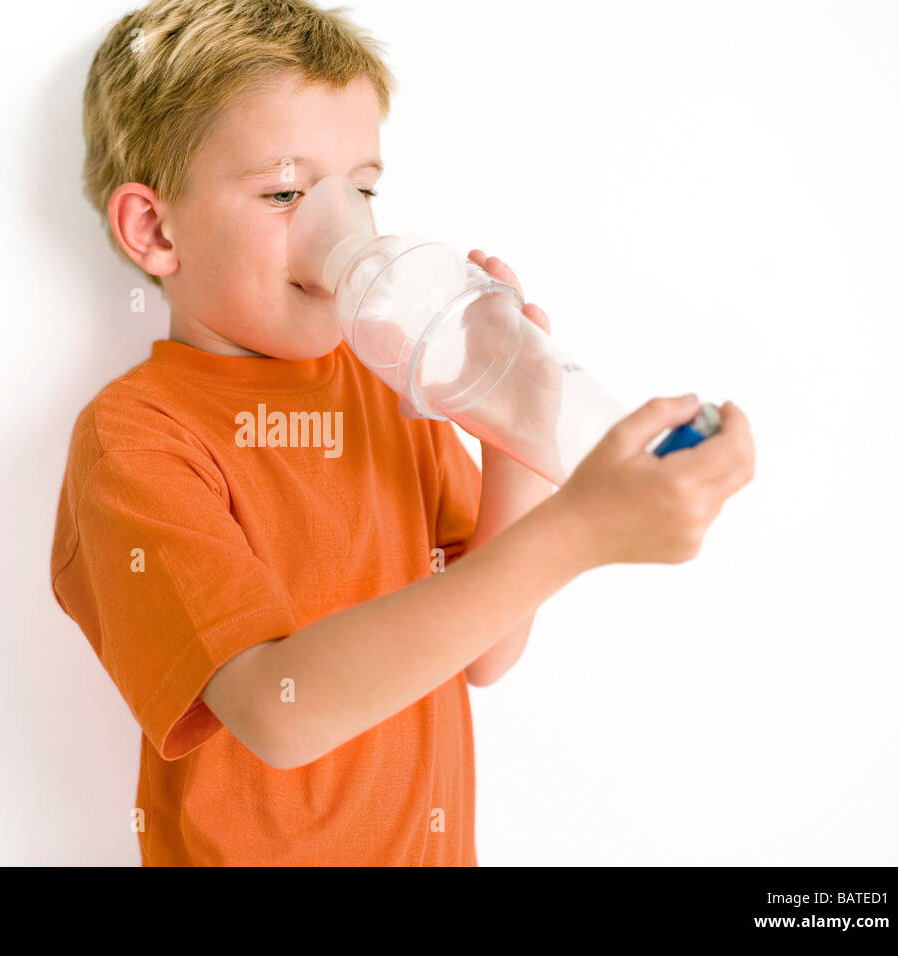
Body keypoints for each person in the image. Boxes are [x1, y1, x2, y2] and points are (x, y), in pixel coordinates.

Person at [49, 0, 756, 866]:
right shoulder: (138, 440)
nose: (342, 230)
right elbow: (278, 710)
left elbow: (488, 648)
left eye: (364, 189)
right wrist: (579, 534)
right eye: (285, 192)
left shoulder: (388, 387)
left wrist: (517, 431)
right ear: (156, 229)